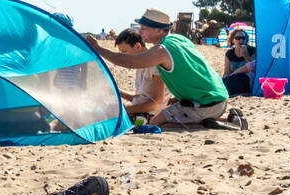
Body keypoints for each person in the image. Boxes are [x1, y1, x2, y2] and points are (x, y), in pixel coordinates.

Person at [85, 7, 240, 129]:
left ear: (158, 30)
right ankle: (228, 119)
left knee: (158, 124)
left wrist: (99, 49)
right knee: (164, 117)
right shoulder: (179, 39)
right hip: (217, 98)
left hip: (207, 103)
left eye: (143, 28)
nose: (139, 32)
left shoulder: (161, 51)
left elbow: (130, 62)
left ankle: (223, 124)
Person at [113, 29, 168, 120]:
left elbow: (158, 102)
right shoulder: (141, 65)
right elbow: (141, 97)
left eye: (124, 52)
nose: (122, 57)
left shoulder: (154, 64)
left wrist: (128, 109)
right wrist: (116, 90)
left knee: (109, 117)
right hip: (140, 112)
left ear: (137, 46)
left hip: (150, 116)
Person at [222, 28, 256, 98]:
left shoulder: (252, 51)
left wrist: (246, 56)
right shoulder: (230, 54)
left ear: (246, 40)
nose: (241, 40)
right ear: (232, 40)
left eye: (243, 38)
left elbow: (254, 69)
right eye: (238, 38)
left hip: (246, 80)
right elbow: (226, 72)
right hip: (233, 79)